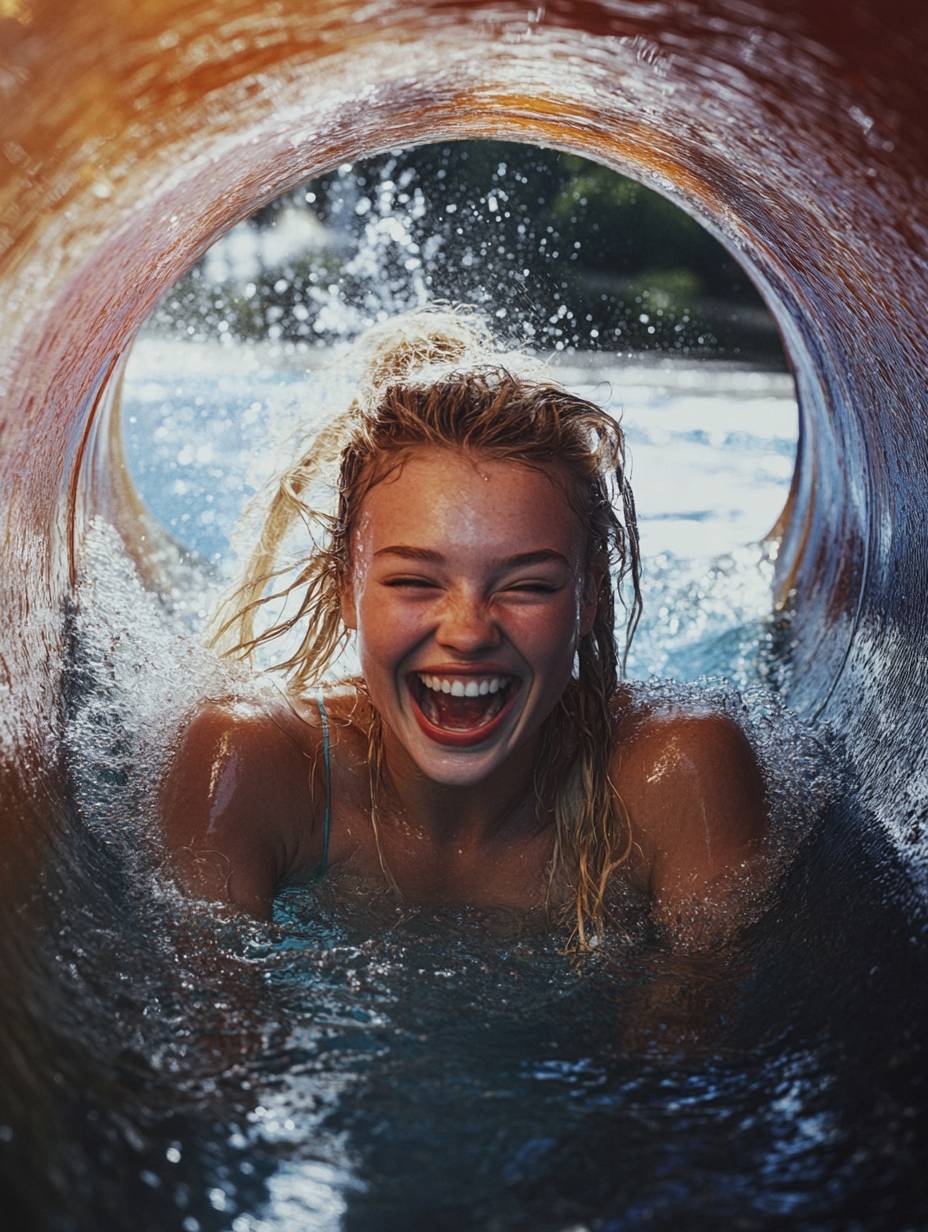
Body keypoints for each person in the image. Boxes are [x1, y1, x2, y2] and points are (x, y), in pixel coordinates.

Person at [159, 307, 767, 947]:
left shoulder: (672, 776)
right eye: (415, 582)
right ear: (346, 589)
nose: (469, 632)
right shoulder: (253, 768)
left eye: (528, 586)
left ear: (589, 598)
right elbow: (210, 1032)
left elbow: (691, 1035)